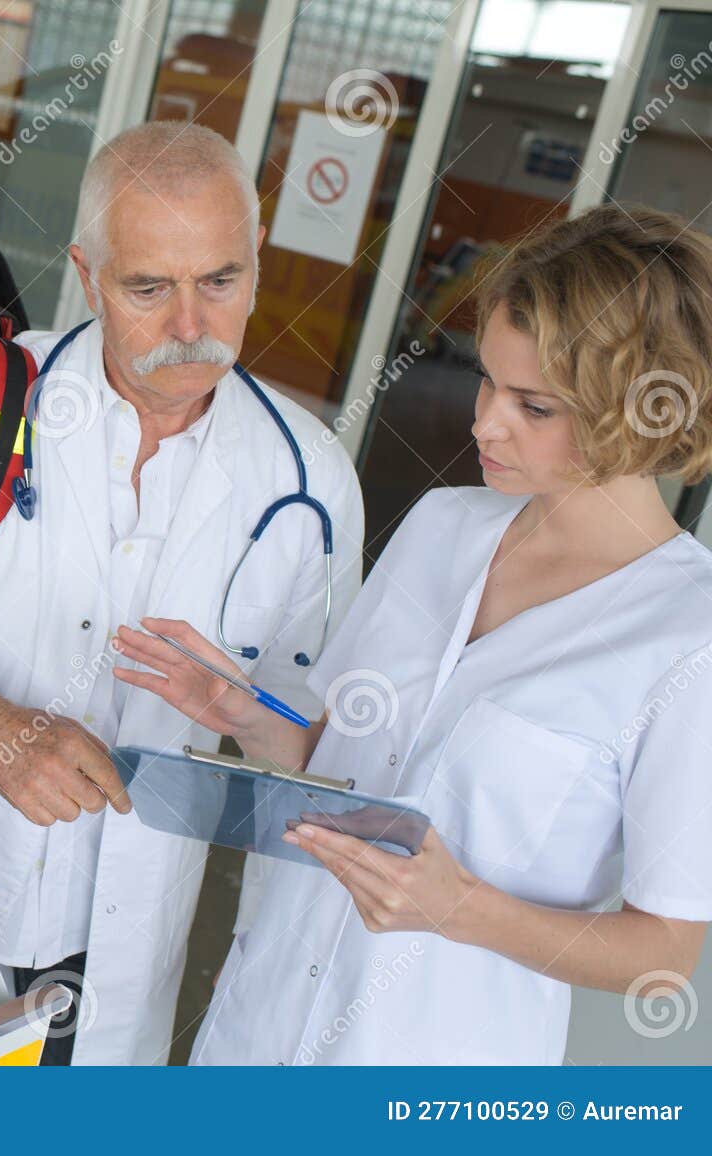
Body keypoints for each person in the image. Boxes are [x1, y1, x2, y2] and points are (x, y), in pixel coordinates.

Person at [0, 121, 363, 1064]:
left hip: (126, 945)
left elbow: (314, 752)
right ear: (87, 274)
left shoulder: (311, 484)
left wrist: (244, 714)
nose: (191, 327)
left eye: (221, 280)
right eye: (148, 287)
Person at [114, 202, 712, 1064]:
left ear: (644, 413)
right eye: (487, 380)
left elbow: (665, 952)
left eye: (533, 406)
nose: (484, 423)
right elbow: (349, 774)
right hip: (258, 1029)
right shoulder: (444, 524)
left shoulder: (685, 639)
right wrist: (243, 714)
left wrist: (460, 907)